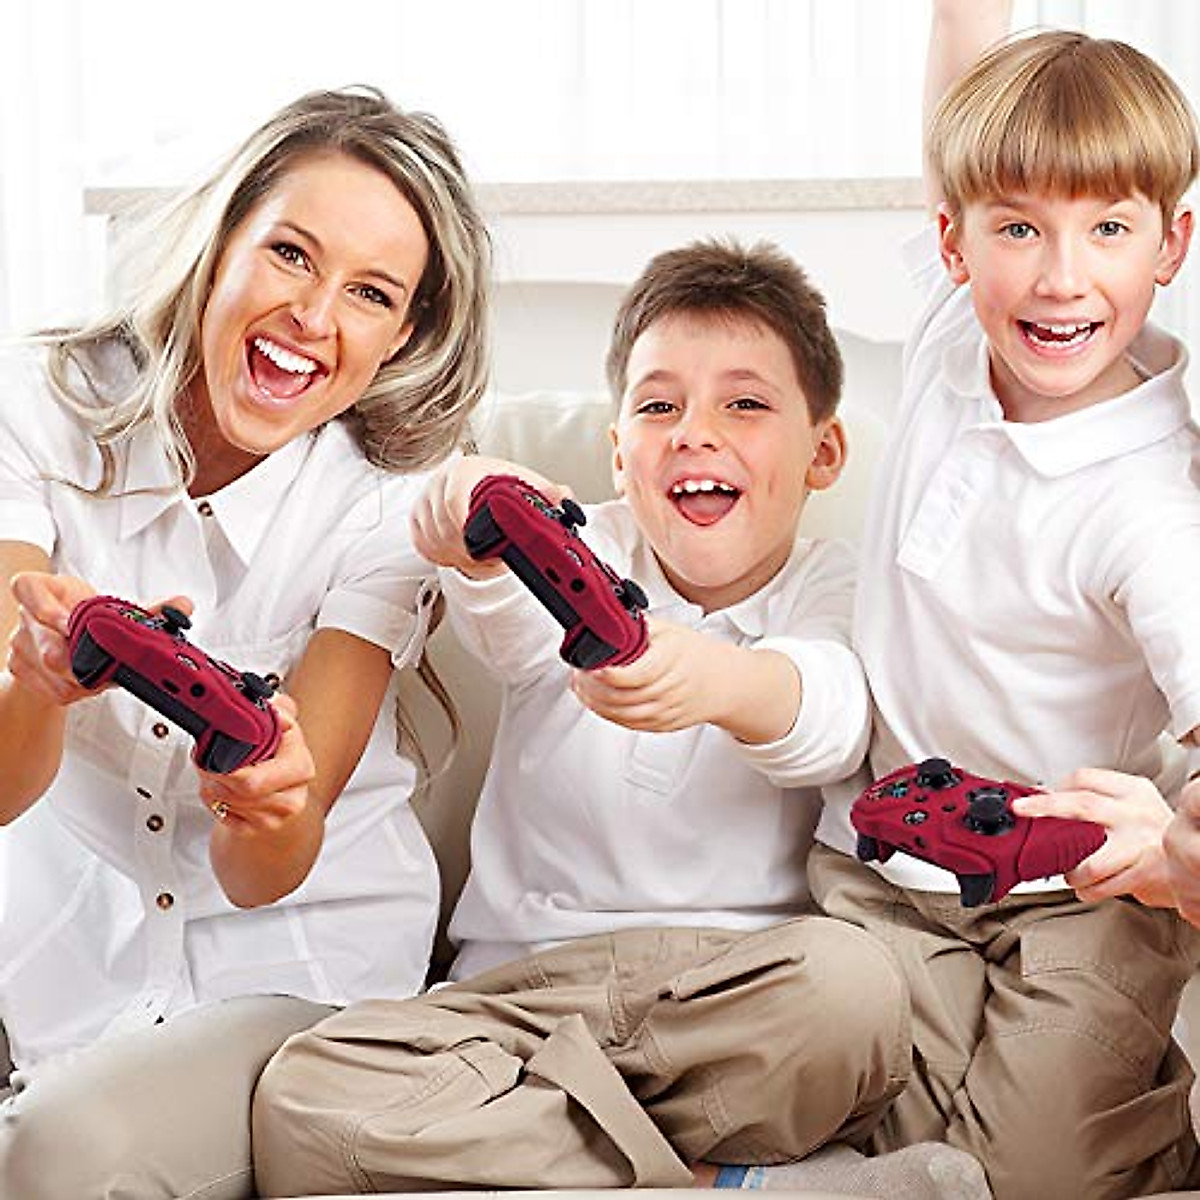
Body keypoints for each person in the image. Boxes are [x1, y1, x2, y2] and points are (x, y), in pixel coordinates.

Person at [249, 238, 925, 1196]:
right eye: (658, 406)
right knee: (303, 1098)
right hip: (516, 1005)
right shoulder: (584, 550)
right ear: (618, 452)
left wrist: (719, 683)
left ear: (824, 453)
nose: (695, 434)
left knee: (857, 992)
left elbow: (829, 714)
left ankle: (559, 1160)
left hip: (734, 998)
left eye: (744, 404)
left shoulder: (842, 588)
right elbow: (507, 621)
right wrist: (471, 528)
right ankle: (722, 1182)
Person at [0, 86, 489, 1199]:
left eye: (370, 293)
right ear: (220, 244)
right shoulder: (36, 405)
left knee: (65, 1153)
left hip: (297, 966)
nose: (314, 315)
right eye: (290, 255)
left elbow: (269, 868)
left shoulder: (389, 503)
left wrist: (267, 799)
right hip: (61, 962)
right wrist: (34, 685)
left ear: (404, 335)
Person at [807, 3, 1200, 1198]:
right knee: (872, 1131)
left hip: (1077, 901)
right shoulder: (947, 339)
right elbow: (964, 90)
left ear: (1171, 245)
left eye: (1109, 229)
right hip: (887, 870)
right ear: (954, 241)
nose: (1061, 276)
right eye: (1019, 227)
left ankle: (1133, 1126)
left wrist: (1172, 852)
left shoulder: (1153, 509)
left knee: (1031, 1174)